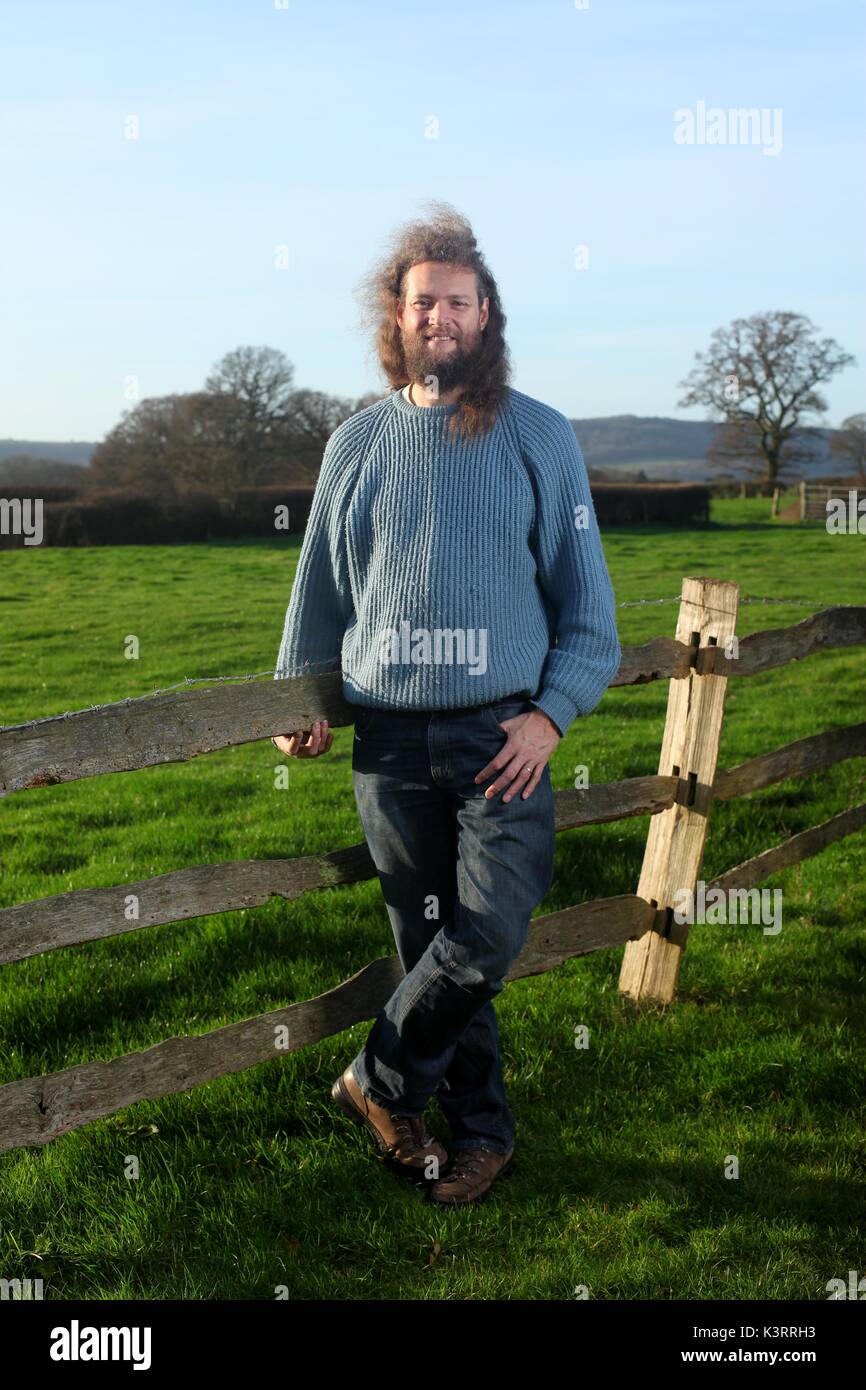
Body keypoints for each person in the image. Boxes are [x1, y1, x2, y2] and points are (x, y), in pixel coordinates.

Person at [271, 201, 621, 1205]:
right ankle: (472, 1136)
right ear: (397, 315)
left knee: (484, 936)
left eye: (458, 302)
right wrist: (305, 697)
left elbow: (587, 613)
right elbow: (319, 594)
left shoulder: (539, 439)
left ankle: (376, 1080)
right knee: (428, 950)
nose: (440, 317)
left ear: (484, 316)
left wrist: (549, 714)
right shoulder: (354, 446)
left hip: (499, 734)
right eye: (422, 300)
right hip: (386, 744)